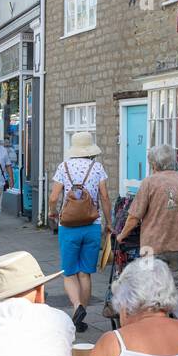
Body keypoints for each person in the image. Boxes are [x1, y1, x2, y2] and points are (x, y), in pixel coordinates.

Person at [115, 142, 178, 326]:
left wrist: (121, 235)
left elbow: (134, 216)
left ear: (154, 164)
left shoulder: (149, 182)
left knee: (151, 288)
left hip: (151, 246)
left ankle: (154, 328)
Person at [51, 132, 114, 331]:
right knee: (85, 273)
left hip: (68, 226)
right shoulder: (97, 168)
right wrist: (108, 222)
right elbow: (104, 197)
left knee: (69, 273)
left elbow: (53, 198)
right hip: (92, 226)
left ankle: (77, 306)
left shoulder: (64, 167)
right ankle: (82, 315)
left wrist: (53, 213)